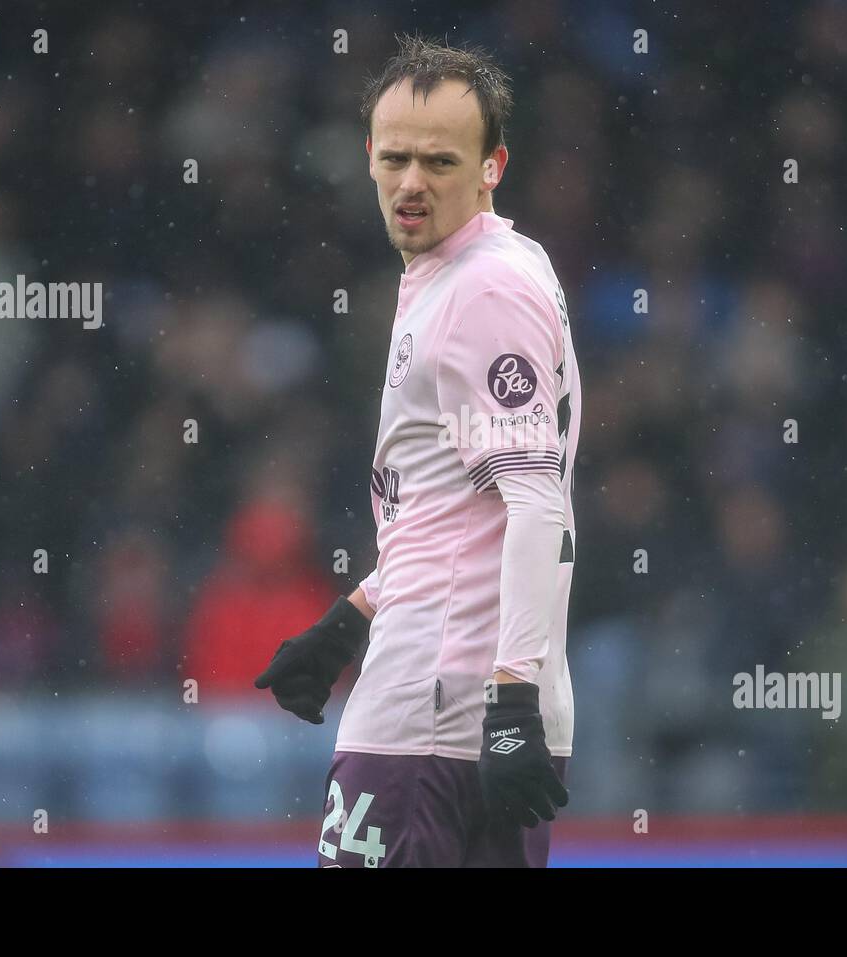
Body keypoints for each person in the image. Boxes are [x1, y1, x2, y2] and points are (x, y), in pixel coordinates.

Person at [255, 34, 582, 867]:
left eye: (440, 162)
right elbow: (455, 513)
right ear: (367, 155)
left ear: (492, 166)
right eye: (395, 157)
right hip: (466, 704)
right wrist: (350, 618)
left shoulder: (481, 290)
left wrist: (507, 702)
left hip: (435, 714)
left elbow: (534, 503)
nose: (411, 183)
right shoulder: (488, 266)